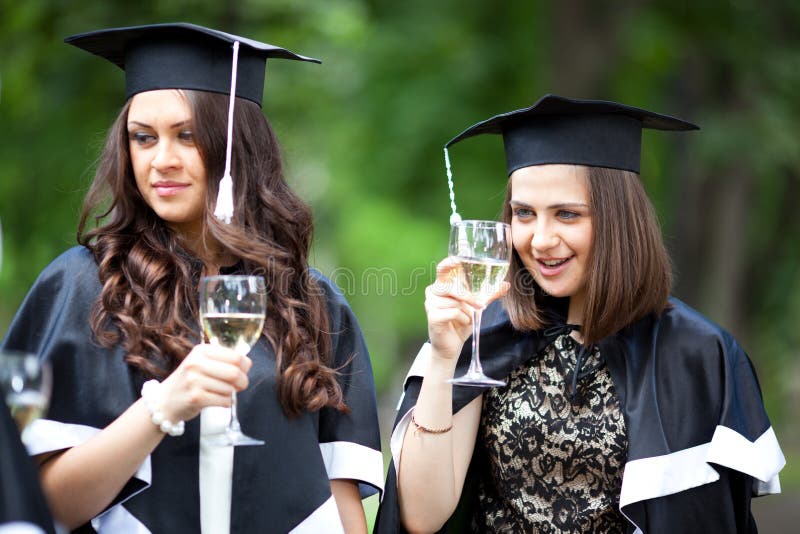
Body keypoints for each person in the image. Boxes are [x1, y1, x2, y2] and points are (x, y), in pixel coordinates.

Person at [1, 23, 383, 533]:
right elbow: (46, 506)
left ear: (237, 147)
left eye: (187, 135)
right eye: (143, 138)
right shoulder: (85, 287)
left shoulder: (309, 301)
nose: (162, 161)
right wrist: (164, 406)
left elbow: (340, 507)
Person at [375, 94, 785, 533]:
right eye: (524, 214)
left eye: (567, 215)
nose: (540, 240)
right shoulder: (487, 334)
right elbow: (421, 515)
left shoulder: (697, 353)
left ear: (618, 221)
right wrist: (443, 359)